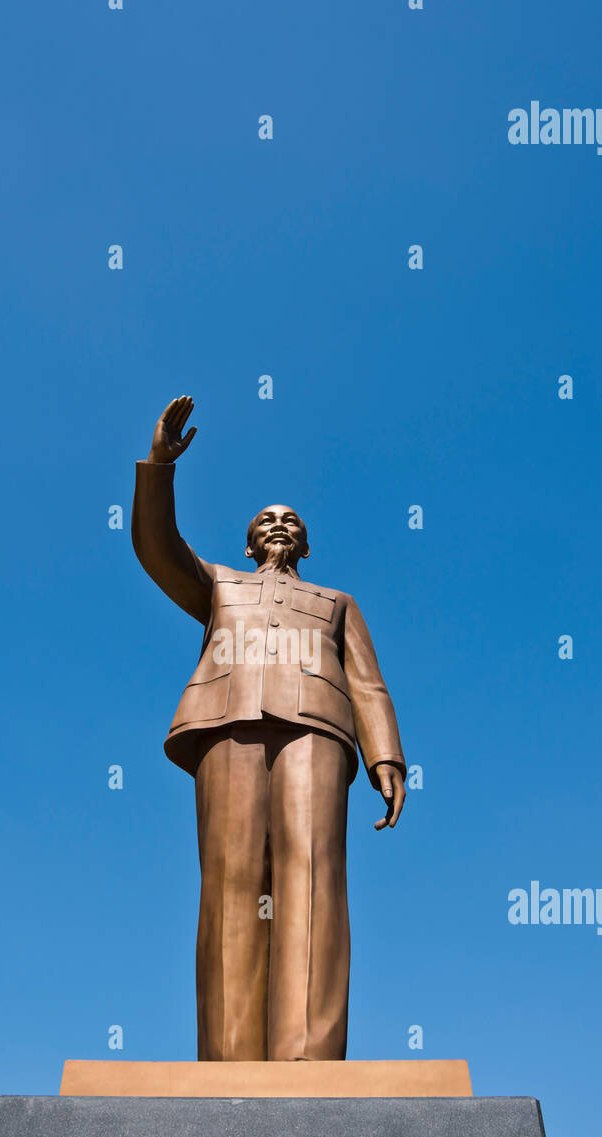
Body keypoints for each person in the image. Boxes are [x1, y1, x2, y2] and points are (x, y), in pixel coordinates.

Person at [132, 396, 405, 1061]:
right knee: (231, 880)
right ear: (250, 541)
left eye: (290, 520)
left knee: (313, 873)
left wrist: (386, 757)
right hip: (229, 725)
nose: (279, 524)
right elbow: (158, 548)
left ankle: (307, 1057)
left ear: (303, 543)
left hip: (318, 729)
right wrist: (159, 467)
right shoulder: (219, 587)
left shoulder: (334, 603)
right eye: (267, 519)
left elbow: (366, 682)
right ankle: (229, 1058)